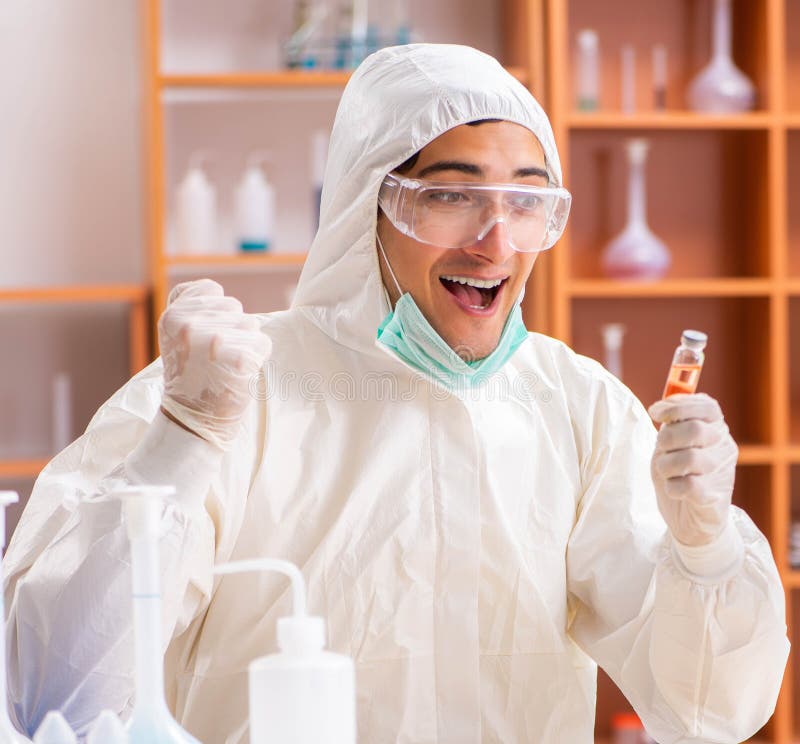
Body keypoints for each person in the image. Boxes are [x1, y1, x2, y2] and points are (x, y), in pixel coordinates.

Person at [3, 43, 790, 744]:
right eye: (451, 195)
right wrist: (181, 440)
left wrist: (706, 546)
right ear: (364, 206)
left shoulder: (576, 406)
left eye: (527, 200)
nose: (496, 241)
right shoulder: (226, 390)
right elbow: (55, 697)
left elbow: (709, 713)